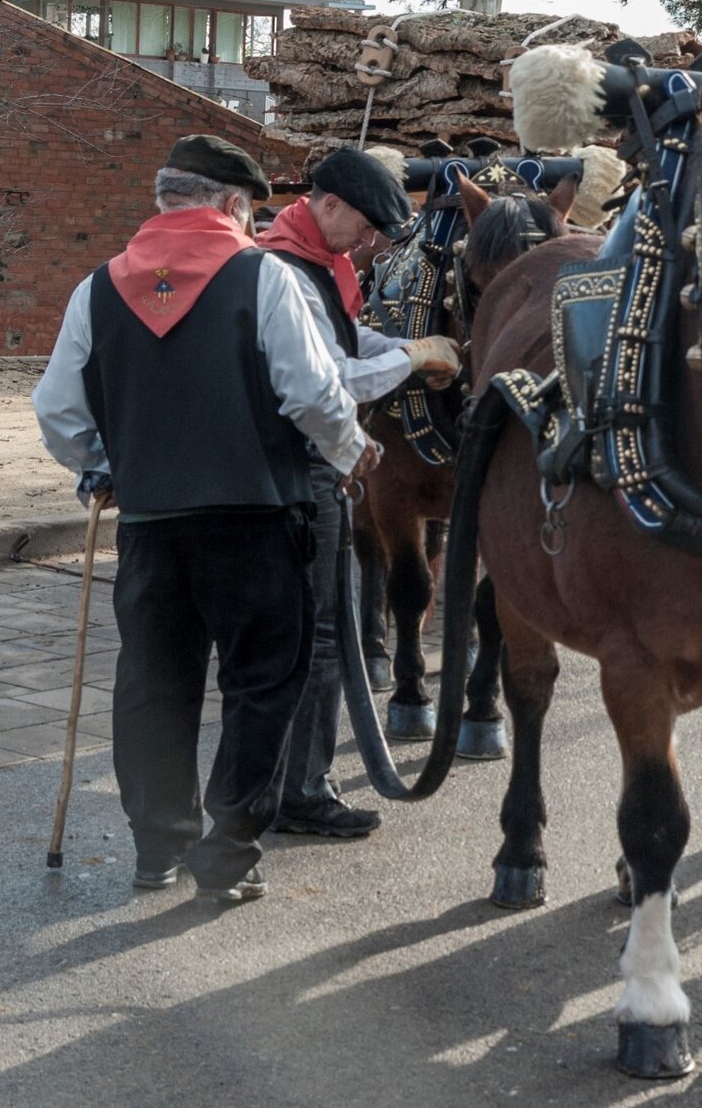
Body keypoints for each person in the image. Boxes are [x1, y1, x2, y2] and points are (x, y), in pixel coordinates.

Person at [33, 134, 379, 903]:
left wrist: (104, 466)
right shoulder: (264, 275)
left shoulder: (98, 288)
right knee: (263, 680)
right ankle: (226, 851)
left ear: (164, 199)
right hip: (257, 514)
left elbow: (56, 410)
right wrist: (352, 449)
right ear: (231, 204)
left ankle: (158, 847)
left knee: (155, 680)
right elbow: (314, 394)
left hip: (152, 523)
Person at [257, 147, 461, 838]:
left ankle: (278, 784)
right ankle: (302, 791)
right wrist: (409, 358)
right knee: (316, 638)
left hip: (296, 466)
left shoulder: (315, 263)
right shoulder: (284, 269)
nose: (369, 244)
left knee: (302, 634)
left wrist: (403, 346)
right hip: (298, 468)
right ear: (329, 205)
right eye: (366, 227)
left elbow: (347, 337)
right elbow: (330, 378)